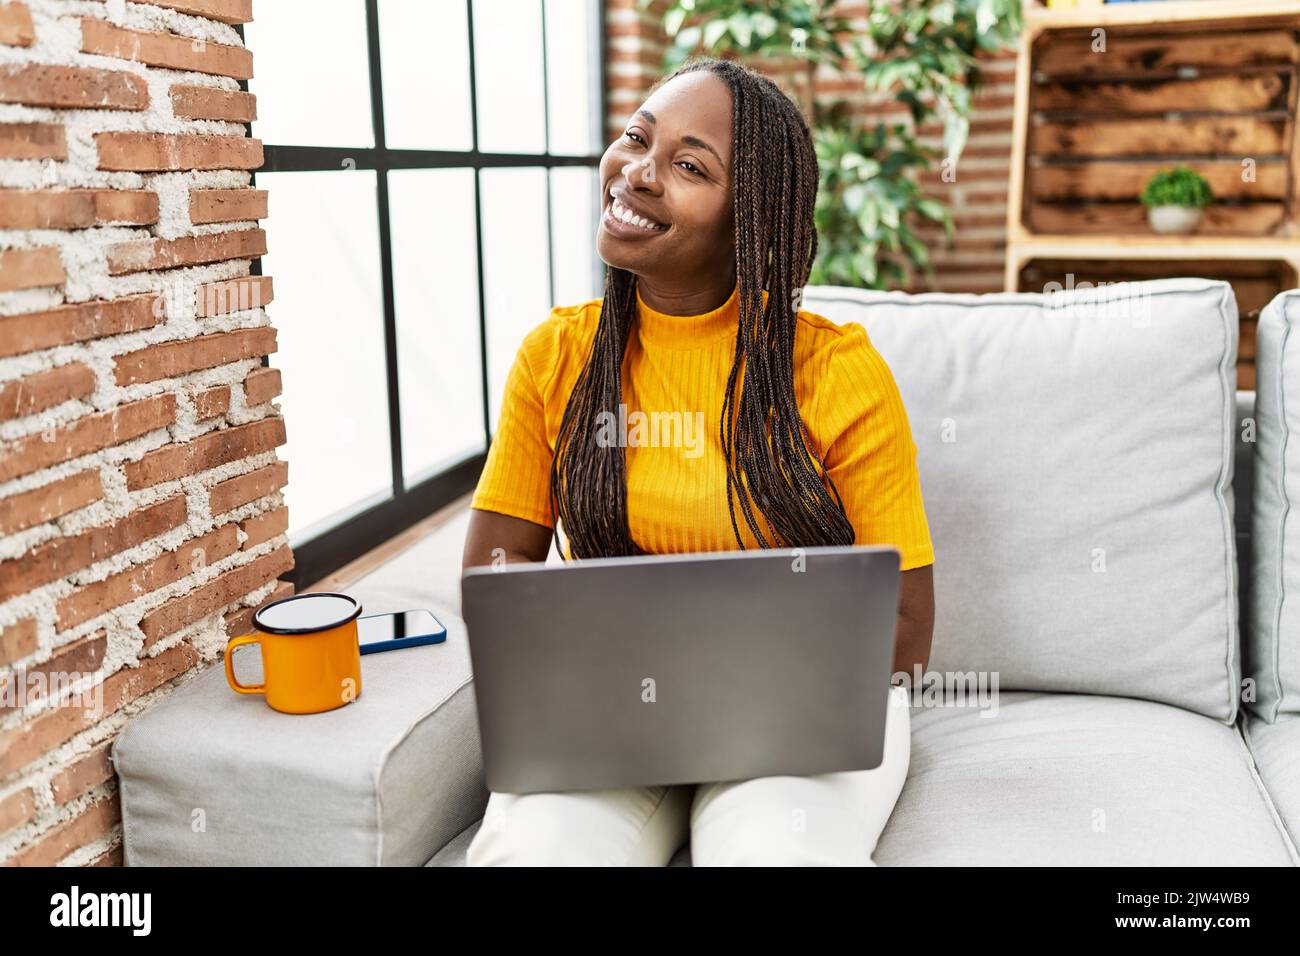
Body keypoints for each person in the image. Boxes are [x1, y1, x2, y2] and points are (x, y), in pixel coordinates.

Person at [461, 56, 935, 866]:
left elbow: (905, 626)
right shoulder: (557, 356)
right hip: (607, 705)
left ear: (749, 217)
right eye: (635, 139)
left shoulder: (836, 371)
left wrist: (731, 700)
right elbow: (497, 578)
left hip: (800, 717)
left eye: (688, 166)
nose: (637, 173)